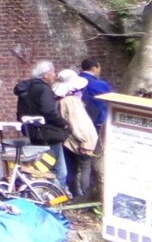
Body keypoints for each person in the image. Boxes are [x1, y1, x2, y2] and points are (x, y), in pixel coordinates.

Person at [13, 59, 70, 184]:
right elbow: (49, 111)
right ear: (45, 74)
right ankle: (58, 192)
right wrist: (63, 123)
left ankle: (40, 189)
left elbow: (20, 112)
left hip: (31, 132)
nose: (54, 75)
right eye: (53, 72)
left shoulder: (26, 88)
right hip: (48, 133)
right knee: (59, 170)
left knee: (40, 167)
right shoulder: (44, 89)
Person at [53, 69, 98, 200]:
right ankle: (84, 196)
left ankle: (75, 195)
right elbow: (78, 123)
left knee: (72, 169)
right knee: (85, 168)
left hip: (67, 140)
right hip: (77, 140)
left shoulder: (58, 100)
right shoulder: (71, 101)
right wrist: (84, 141)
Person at [78, 57, 113, 136]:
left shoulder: (74, 81)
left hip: (77, 119)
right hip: (96, 120)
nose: (100, 71)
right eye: (99, 68)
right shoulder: (99, 84)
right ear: (94, 68)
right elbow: (111, 100)